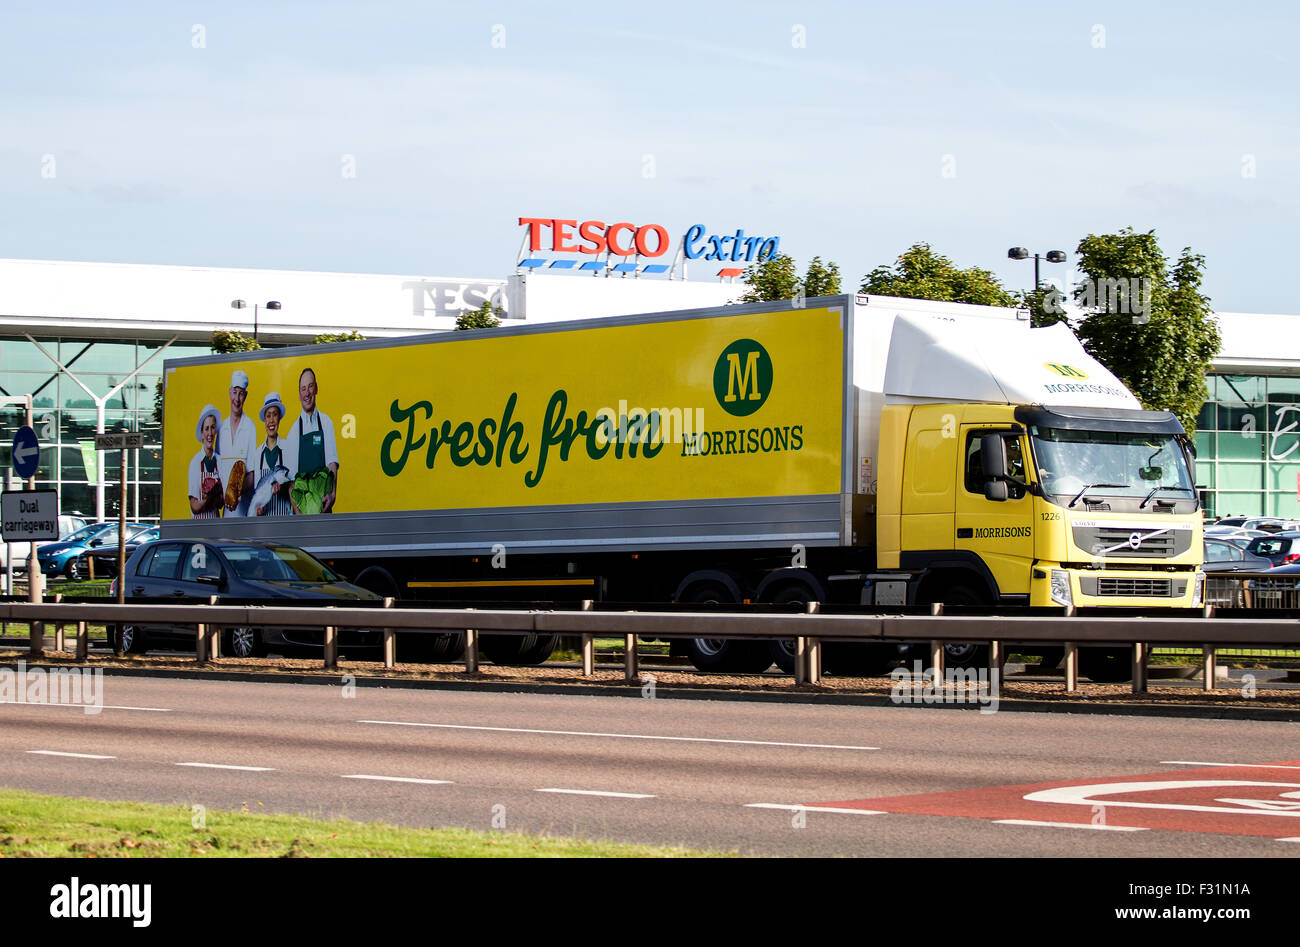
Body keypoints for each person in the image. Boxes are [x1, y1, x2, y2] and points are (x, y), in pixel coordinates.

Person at [287, 367, 339, 513]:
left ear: (316, 388)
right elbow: (291, 482)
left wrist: (332, 495)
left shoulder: (326, 422)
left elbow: (332, 464)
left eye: (310, 386)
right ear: (299, 394)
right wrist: (299, 514)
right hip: (302, 512)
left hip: (324, 506)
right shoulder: (293, 431)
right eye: (303, 389)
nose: (307, 393)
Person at [217, 369, 257, 515]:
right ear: (229, 393)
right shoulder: (221, 428)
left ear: (245, 396)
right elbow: (217, 468)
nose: (237, 399)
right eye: (234, 392)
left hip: (244, 511)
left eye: (241, 394)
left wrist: (236, 492)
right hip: (225, 513)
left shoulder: (250, 426)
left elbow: (252, 475)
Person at [254, 391, 294, 516]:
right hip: (263, 522)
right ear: (264, 420)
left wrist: (283, 487)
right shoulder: (258, 454)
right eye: (268, 416)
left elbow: (294, 487)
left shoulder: (288, 448)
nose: (271, 420)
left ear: (279, 418)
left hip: (284, 520)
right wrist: (257, 508)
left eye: (275, 415)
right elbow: (257, 492)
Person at [188, 405, 223, 518]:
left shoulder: (220, 461)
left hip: (216, 523)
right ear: (202, 433)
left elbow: (221, 504)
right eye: (206, 428)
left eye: (212, 427)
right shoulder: (195, 462)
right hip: (199, 524)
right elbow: (194, 507)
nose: (210, 433)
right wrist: (208, 498)